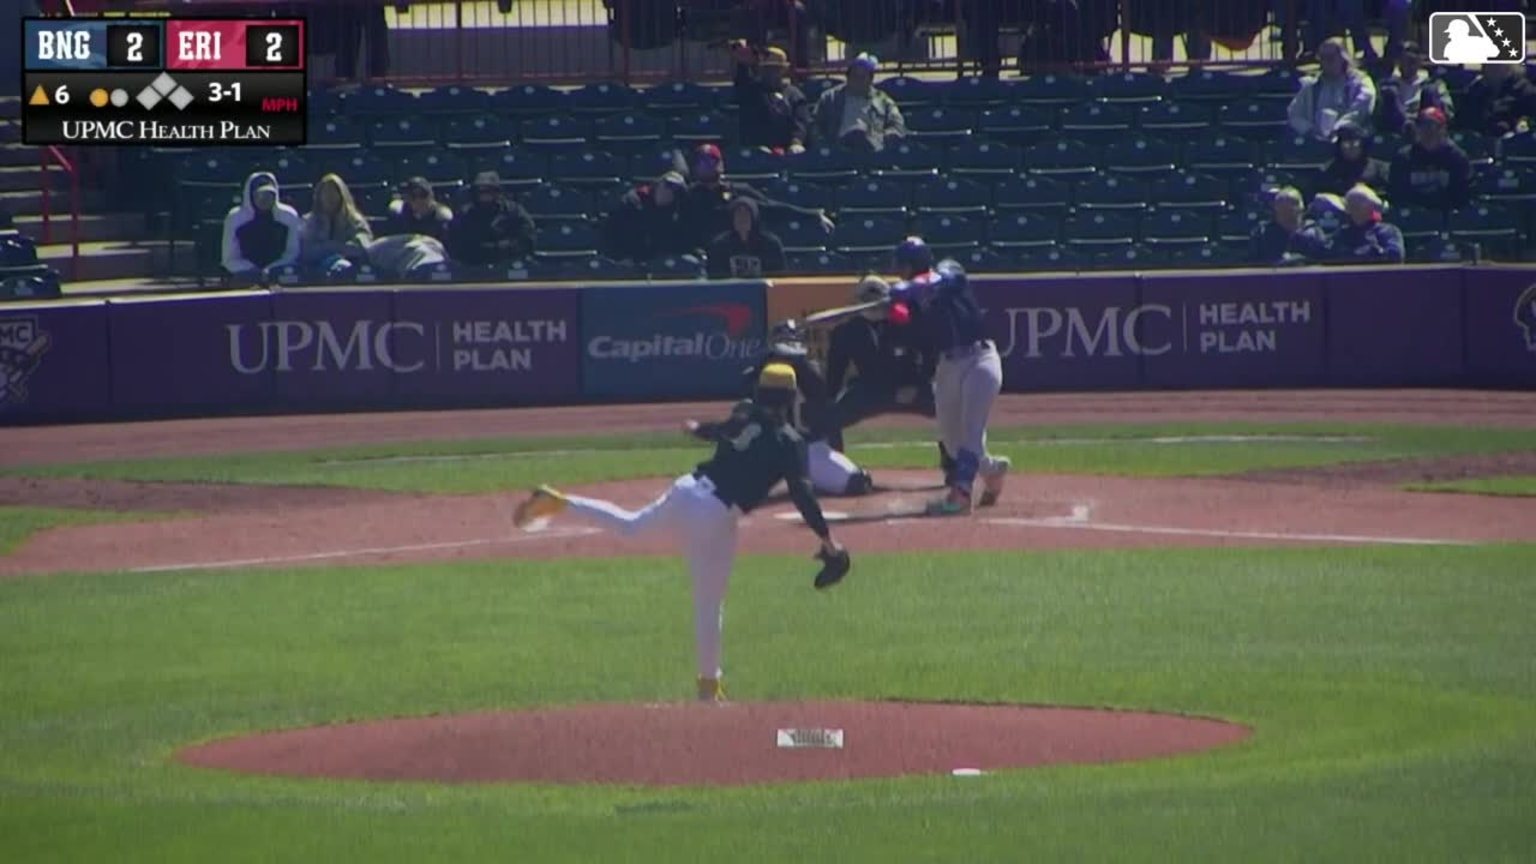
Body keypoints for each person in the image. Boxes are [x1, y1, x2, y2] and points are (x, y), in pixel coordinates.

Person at [511, 362, 847, 704]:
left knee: (631, 526)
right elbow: (803, 496)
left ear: (760, 391)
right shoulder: (791, 442)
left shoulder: (745, 411)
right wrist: (828, 540)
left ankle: (560, 502)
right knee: (708, 603)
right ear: (791, 398)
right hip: (714, 514)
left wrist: (697, 428)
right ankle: (708, 687)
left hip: (687, 489)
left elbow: (720, 430)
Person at [885, 247, 1010, 515]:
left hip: (980, 359)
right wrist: (894, 311)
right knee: (952, 441)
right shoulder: (913, 300)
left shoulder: (948, 271)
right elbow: (912, 334)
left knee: (972, 429)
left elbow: (940, 280)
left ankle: (961, 495)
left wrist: (908, 288)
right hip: (947, 365)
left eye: (903, 267)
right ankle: (993, 470)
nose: (900, 272)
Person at [825, 273, 946, 478]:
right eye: (867, 298)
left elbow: (930, 354)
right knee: (828, 419)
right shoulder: (846, 332)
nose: (873, 304)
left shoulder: (908, 321)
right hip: (870, 391)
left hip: (911, 388)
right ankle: (837, 472)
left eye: (876, 298)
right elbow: (834, 374)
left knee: (949, 410)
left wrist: (919, 382)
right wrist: (827, 402)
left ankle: (953, 467)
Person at [741, 320, 874, 497]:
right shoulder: (759, 373)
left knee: (857, 482)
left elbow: (828, 413)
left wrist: (835, 453)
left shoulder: (811, 371)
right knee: (731, 487)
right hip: (769, 449)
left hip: (806, 449)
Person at [809, 53, 908, 153]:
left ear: (870, 80)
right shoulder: (829, 98)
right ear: (847, 78)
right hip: (838, 151)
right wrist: (823, 144)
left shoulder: (882, 100)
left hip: (874, 151)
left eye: (862, 77)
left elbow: (898, 125)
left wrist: (887, 135)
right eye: (854, 76)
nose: (858, 81)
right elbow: (815, 125)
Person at [221, 171, 302, 287]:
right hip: (246, 273)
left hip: (279, 271)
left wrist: (271, 270)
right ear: (250, 195)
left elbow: (292, 252)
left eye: (269, 194)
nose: (264, 199)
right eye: (259, 195)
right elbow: (229, 259)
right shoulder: (234, 218)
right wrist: (254, 271)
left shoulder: (289, 215)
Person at [1287, 38, 1378, 141]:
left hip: (1351, 140)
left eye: (1331, 58)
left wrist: (1340, 127)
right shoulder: (1311, 85)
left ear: (1343, 58)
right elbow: (1294, 113)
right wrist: (1309, 130)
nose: (1325, 62)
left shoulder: (1360, 82)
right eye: (1322, 57)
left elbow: (1362, 108)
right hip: (1315, 140)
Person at [1388, 106, 1473, 211]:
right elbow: (1397, 194)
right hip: (1413, 214)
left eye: (1433, 127)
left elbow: (1462, 196)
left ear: (1443, 129)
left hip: (1446, 213)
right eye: (1423, 127)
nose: (1428, 132)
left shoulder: (1456, 158)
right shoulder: (1403, 158)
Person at [730, 42, 810, 153]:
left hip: (788, 151)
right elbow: (740, 88)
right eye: (766, 69)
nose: (770, 73)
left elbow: (801, 121)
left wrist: (796, 142)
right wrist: (742, 64)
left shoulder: (794, 94)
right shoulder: (752, 92)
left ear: (783, 70)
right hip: (759, 150)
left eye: (775, 69)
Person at [449, 171, 537, 269]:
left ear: (497, 192)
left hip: (508, 262)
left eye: (489, 191)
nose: (485, 195)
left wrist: (504, 247)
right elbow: (455, 243)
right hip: (473, 264)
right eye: (481, 191)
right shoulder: (464, 214)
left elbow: (527, 238)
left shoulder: (514, 211)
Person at [599, 171, 692, 263]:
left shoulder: (675, 214)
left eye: (676, 191)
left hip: (658, 263)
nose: (669, 192)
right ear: (658, 185)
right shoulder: (632, 202)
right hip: (625, 260)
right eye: (668, 185)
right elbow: (611, 232)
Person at [299, 172, 373, 282]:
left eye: (334, 192)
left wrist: (334, 250)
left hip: (351, 271)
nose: (330, 197)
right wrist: (336, 248)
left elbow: (363, 248)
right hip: (316, 273)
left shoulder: (356, 221)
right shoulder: (309, 221)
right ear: (319, 196)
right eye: (326, 193)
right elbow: (306, 252)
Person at [1375, 42, 1453, 137]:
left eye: (1411, 61)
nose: (1407, 65)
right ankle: (1407, 127)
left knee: (1429, 91)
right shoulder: (1388, 84)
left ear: (1419, 62)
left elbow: (1448, 111)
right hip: (1397, 126)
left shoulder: (1433, 83)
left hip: (1426, 125)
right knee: (1389, 93)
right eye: (1403, 61)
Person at [1323, 184, 1406, 264]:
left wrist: (1373, 251)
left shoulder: (1388, 231)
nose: (1355, 209)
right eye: (1352, 205)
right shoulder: (1341, 233)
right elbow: (1328, 256)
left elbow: (1395, 256)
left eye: (1358, 204)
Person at [705, 197, 786, 279]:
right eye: (738, 213)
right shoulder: (720, 245)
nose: (742, 218)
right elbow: (715, 276)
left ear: (754, 218)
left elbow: (778, 276)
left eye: (746, 213)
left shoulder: (771, 244)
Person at [1248, 186, 1331, 265]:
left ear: (1302, 207)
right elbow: (1254, 262)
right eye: (1282, 205)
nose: (1289, 209)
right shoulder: (1262, 233)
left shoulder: (1314, 232)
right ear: (1275, 207)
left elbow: (1324, 260)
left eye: (1294, 203)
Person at [1456, 62, 1536, 139]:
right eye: (1487, 64)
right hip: (1476, 143)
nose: (1489, 68)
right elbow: (1460, 123)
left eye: (1496, 64)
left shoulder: (1527, 94)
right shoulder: (1475, 90)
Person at [1310, 123, 1390, 198]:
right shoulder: (1329, 169)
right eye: (1346, 144)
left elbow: (1386, 192)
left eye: (1356, 143)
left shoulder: (1379, 168)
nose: (1352, 148)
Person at [380, 177, 453, 244]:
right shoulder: (401, 213)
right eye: (413, 196)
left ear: (431, 195)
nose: (419, 200)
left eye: (423, 195)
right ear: (407, 199)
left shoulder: (441, 217)